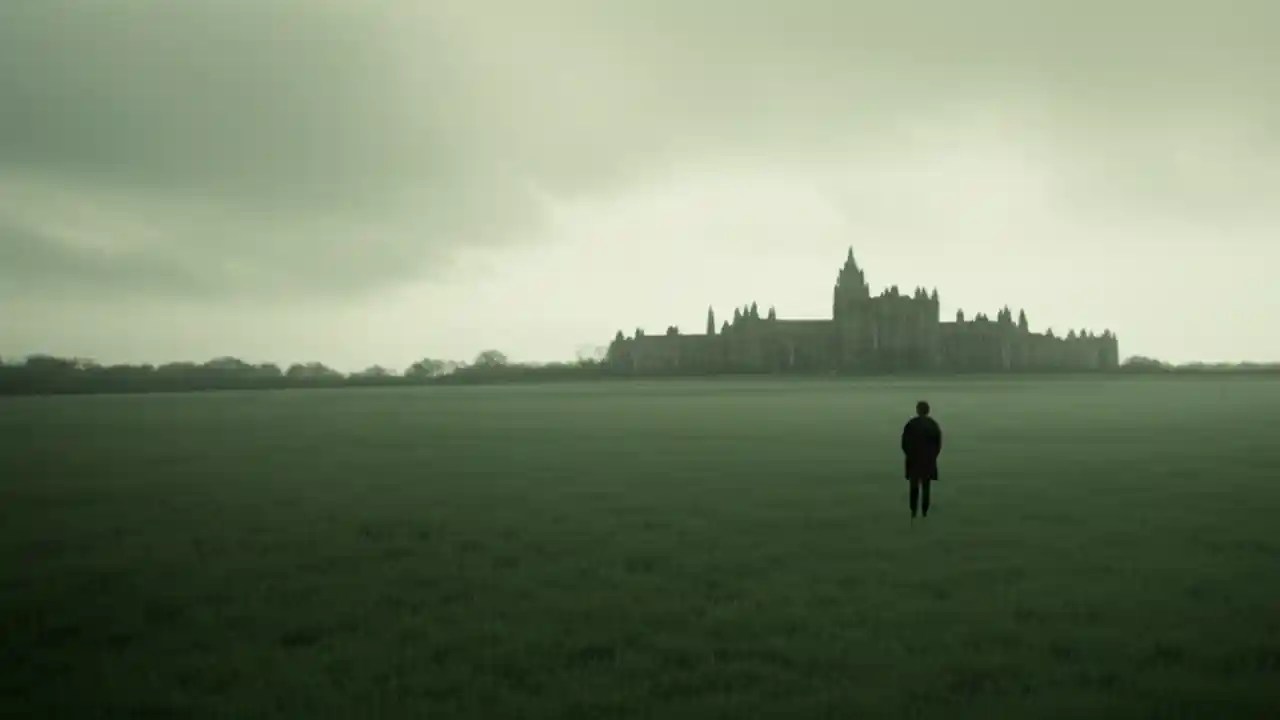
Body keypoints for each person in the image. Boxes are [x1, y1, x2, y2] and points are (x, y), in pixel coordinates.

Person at [901, 400, 943, 519]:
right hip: (928, 461)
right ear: (928, 410)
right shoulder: (933, 425)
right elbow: (938, 444)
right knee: (926, 487)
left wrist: (910, 455)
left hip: (914, 460)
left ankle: (913, 512)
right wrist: (933, 456)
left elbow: (904, 443)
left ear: (918, 410)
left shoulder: (911, 424)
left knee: (913, 487)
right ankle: (925, 512)